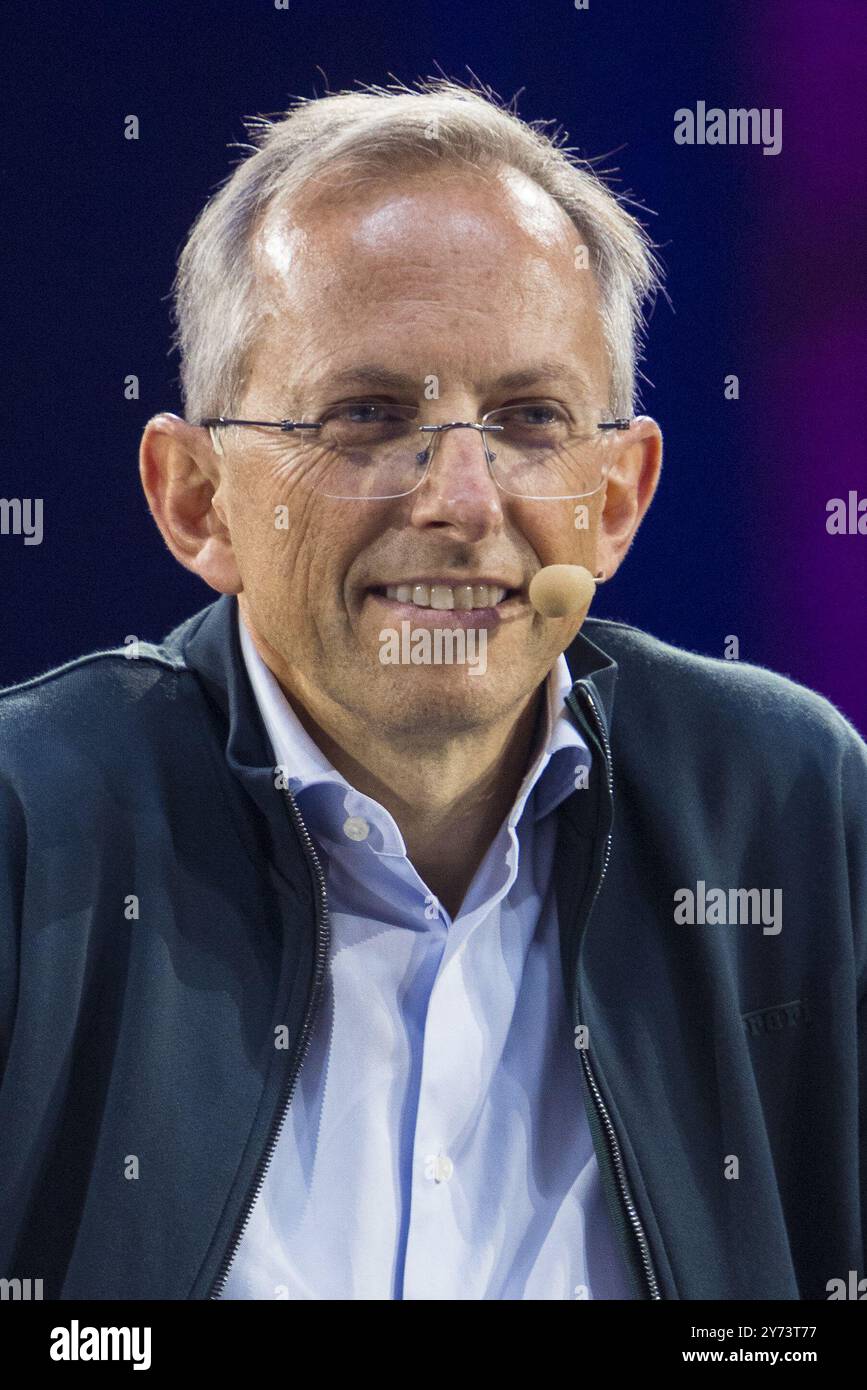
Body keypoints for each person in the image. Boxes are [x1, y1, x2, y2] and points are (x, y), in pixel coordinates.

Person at [1, 78, 864, 1301]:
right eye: (363, 417)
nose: (462, 501)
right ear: (198, 499)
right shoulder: (29, 824)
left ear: (617, 497)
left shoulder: (791, 809)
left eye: (527, 418)